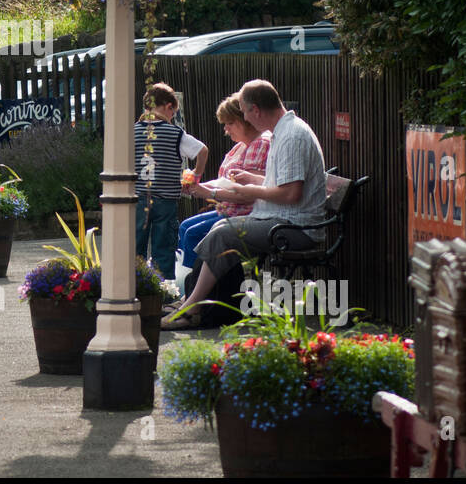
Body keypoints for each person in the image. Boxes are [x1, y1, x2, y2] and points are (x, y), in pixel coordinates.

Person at [162, 79, 326, 330]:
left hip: (295, 227)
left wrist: (250, 189)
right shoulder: (285, 131)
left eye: (245, 111)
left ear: (256, 110)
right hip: (281, 218)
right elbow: (285, 183)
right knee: (219, 231)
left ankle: (193, 306)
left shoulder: (292, 136)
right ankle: (192, 301)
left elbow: (292, 193)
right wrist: (255, 180)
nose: (246, 119)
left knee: (223, 234)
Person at [174, 93, 271, 275]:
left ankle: (193, 287)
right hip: (229, 210)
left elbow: (248, 195)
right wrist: (198, 185)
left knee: (193, 233)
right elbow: (224, 181)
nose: (226, 129)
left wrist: (208, 193)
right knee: (185, 226)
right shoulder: (242, 144)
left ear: (244, 120)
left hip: (246, 214)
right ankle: (186, 283)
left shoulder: (260, 144)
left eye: (230, 123)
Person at [135, 82, 208, 280]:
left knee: (135, 246)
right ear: (168, 107)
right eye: (173, 113)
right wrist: (196, 175)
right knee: (164, 248)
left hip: (138, 198)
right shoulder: (176, 134)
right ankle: (163, 288)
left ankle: (135, 285)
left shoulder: (132, 132)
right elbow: (202, 151)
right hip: (166, 200)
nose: (172, 117)